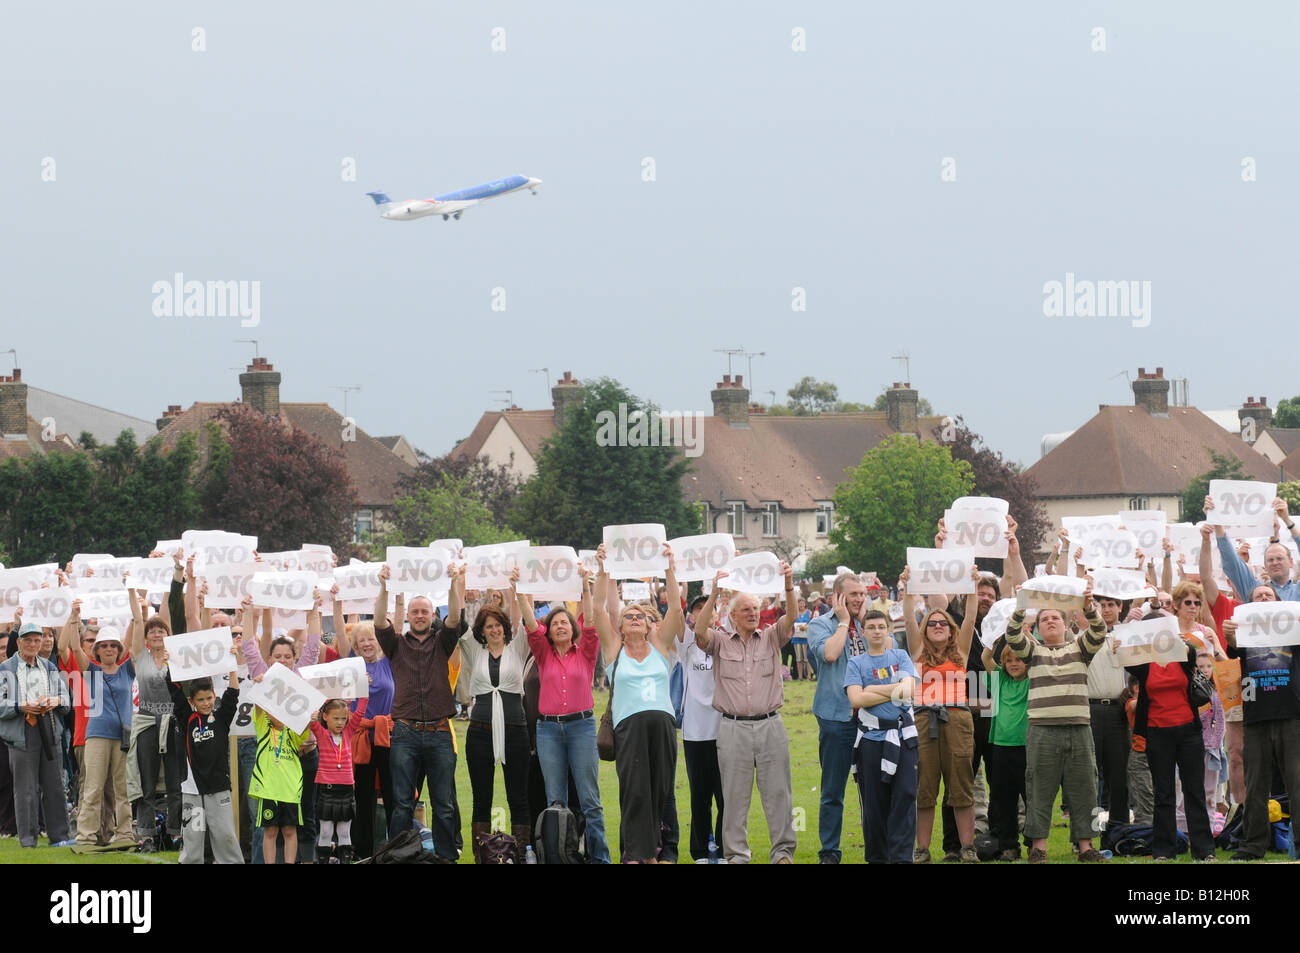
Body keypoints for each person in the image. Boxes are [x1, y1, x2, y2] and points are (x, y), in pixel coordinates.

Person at [694, 562, 799, 865]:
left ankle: (782, 853)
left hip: (770, 725)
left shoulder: (771, 637)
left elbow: (791, 616)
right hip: (732, 728)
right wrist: (714, 592)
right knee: (734, 798)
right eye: (747, 610)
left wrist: (789, 585)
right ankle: (737, 856)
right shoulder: (719, 641)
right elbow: (699, 630)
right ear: (733, 616)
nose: (754, 613)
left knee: (779, 794)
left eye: (756, 608)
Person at [1002, 576, 1109, 863]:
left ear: (1066, 625)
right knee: (1039, 788)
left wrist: (1088, 608)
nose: (1050, 621)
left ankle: (1086, 848)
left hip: (1079, 729)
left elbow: (1099, 631)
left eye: (1055, 618)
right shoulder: (1033, 652)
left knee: (1085, 787)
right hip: (1042, 731)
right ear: (1037, 628)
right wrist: (1020, 609)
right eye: (1045, 618)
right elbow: (1012, 636)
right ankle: (1039, 848)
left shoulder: (1080, 650)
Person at [594, 543, 683, 863]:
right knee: (634, 793)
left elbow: (674, 608)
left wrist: (670, 568)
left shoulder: (660, 647)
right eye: (628, 615)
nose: (634, 618)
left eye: (641, 615)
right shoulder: (613, 651)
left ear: (650, 625)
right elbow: (598, 611)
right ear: (620, 626)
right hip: (628, 728)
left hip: (662, 725)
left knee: (660, 793)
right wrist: (603, 571)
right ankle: (634, 855)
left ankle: (655, 855)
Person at [373, 562, 467, 860]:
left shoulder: (443, 642)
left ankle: (445, 857)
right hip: (404, 733)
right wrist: (383, 587)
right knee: (401, 803)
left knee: (444, 804)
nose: (419, 615)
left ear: (431, 615)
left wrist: (453, 584)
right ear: (409, 617)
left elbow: (455, 616)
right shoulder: (395, 645)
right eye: (415, 611)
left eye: (425, 611)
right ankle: (399, 856)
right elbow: (378, 621)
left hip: (439, 733)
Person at [524, 560, 609, 863]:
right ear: (549, 630)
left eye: (565, 622)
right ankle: (559, 856)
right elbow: (531, 624)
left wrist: (586, 583)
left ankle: (600, 858)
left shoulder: (586, 651)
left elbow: (590, 620)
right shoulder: (543, 653)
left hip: (581, 728)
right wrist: (520, 588)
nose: (560, 625)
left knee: (590, 800)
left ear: (572, 629)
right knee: (555, 800)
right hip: (548, 731)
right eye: (555, 622)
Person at [1121, 612, 1216, 861]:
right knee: (1163, 794)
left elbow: (1192, 653)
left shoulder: (1182, 654)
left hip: (1188, 732)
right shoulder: (1144, 663)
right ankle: (1164, 851)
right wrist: (1124, 638)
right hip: (1157, 732)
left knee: (1194, 790)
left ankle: (1204, 851)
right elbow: (1125, 656)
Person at [900, 565, 980, 862]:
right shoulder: (918, 651)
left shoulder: (960, 650)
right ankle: (921, 850)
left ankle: (967, 847)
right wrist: (908, 587)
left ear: (950, 629)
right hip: (923, 719)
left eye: (942, 623)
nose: (936, 625)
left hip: (958, 719)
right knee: (925, 787)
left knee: (961, 784)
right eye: (932, 622)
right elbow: (909, 616)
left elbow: (971, 617)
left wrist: (972, 585)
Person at [456, 572, 532, 861]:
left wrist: (516, 590)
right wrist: (460, 585)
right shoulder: (476, 650)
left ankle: (522, 853)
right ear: (483, 630)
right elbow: (459, 623)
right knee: (481, 798)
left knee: (518, 796)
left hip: (515, 730)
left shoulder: (517, 648)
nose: (495, 630)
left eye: (498, 625)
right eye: (489, 626)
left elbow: (527, 621)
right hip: (480, 732)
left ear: (504, 628)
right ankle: (483, 854)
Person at [1221, 597, 1300, 860]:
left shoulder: (1294, 625)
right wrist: (1229, 635)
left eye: (1268, 595)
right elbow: (1233, 650)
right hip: (1255, 716)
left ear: (1278, 603)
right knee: (1254, 785)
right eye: (1258, 596)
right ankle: (1252, 846)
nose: (1264, 598)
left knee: (1297, 784)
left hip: (1292, 714)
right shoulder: (1243, 629)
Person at [806, 571, 873, 863]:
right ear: (838, 597)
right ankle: (830, 852)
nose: (859, 599)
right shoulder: (819, 625)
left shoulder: (871, 626)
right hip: (837, 718)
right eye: (853, 594)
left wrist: (864, 624)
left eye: (862, 594)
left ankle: (877, 848)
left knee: (874, 789)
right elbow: (831, 654)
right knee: (833, 790)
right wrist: (845, 622)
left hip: (872, 717)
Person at [845, 608, 917, 863]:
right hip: (871, 741)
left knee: (905, 797)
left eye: (881, 627)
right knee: (875, 804)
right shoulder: (856, 663)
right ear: (863, 632)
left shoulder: (900, 655)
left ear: (888, 630)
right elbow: (856, 698)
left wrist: (872, 689)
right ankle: (878, 857)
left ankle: (901, 858)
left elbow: (908, 690)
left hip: (903, 738)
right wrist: (892, 688)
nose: (877, 631)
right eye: (871, 627)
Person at [162, 647, 243, 864]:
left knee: (225, 835)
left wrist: (232, 665)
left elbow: (233, 694)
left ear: (214, 696)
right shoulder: (187, 719)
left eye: (209, 698)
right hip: (192, 789)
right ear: (193, 701)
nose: (206, 703)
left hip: (219, 788)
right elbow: (174, 692)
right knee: (193, 837)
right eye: (201, 700)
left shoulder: (222, 718)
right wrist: (169, 664)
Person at [63, 617, 136, 849]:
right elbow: (74, 647)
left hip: (122, 737)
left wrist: (137, 612)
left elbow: (138, 640)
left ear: (119, 649)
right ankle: (86, 837)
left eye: (113, 645)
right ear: (96, 650)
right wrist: (74, 619)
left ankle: (124, 833)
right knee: (93, 788)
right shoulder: (91, 670)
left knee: (122, 789)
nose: (109, 649)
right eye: (104, 645)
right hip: (96, 735)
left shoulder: (127, 669)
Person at [0, 619, 73, 848]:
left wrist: (56, 700)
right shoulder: (6, 668)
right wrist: (20, 706)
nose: (33, 644)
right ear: (19, 642)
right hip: (22, 730)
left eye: (36, 639)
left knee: (55, 786)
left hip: (49, 727)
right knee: (25, 789)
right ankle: (28, 840)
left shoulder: (49, 667)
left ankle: (59, 837)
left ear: (41, 641)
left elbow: (67, 700)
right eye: (28, 640)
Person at [126, 584, 185, 853]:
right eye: (153, 631)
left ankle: (175, 834)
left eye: (161, 630)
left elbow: (168, 617)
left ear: (168, 634)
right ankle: (146, 835)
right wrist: (132, 593)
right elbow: (139, 621)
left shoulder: (177, 658)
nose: (157, 633)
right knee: (147, 784)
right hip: (148, 721)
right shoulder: (140, 657)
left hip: (173, 723)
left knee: (175, 782)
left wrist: (172, 586)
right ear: (146, 638)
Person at [331, 620, 394, 859]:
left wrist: (394, 596)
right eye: (362, 640)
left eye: (371, 638)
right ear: (355, 646)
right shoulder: (352, 666)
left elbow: (395, 626)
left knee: (392, 794)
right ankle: (363, 852)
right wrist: (336, 603)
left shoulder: (389, 661)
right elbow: (338, 631)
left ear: (379, 641)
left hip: (387, 736)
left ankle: (397, 846)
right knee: (363, 796)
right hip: (360, 739)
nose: (367, 643)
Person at [678, 594, 724, 862]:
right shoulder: (686, 644)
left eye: (710, 609)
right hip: (695, 731)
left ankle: (724, 847)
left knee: (725, 796)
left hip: (724, 730)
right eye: (698, 609)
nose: (704, 613)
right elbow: (674, 605)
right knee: (699, 795)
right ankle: (699, 851)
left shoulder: (724, 641)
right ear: (692, 617)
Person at [1088, 592, 1133, 827]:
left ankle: (1120, 828)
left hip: (1118, 710)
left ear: (1120, 606)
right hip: (1091, 709)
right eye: (1101, 605)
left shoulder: (1127, 636)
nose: (1105, 609)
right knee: (1090, 774)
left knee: (1119, 773)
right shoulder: (1084, 637)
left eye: (1110, 605)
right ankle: (1090, 829)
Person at [981, 642, 1029, 860]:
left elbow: (1037, 656)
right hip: (1000, 746)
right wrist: (996, 637)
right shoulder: (1000, 680)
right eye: (1008, 660)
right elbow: (985, 658)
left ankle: (1033, 843)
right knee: (1003, 799)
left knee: (1032, 798)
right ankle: (1009, 845)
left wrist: (1025, 636)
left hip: (1027, 747)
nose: (1013, 664)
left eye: (1018, 659)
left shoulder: (1033, 680)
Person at [308, 697, 368, 864]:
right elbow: (310, 720)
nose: (340, 722)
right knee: (326, 831)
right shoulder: (321, 733)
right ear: (325, 717)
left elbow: (361, 710)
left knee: (344, 832)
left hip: (346, 790)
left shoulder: (348, 733)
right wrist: (311, 717)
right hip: (327, 789)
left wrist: (364, 689)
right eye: (336, 718)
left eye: (343, 718)